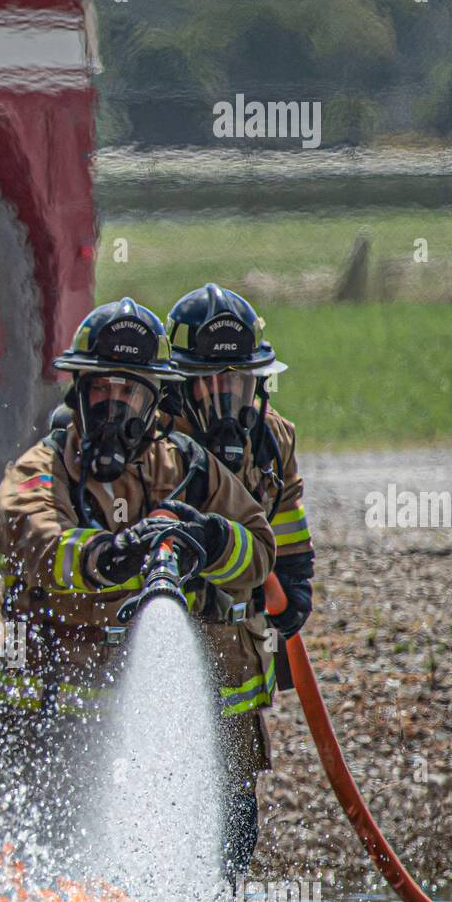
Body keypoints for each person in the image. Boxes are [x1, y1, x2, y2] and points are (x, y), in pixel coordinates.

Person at [0, 297, 275, 878]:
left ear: (154, 401)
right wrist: (112, 554)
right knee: (50, 898)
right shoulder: (40, 472)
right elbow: (42, 546)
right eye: (103, 391)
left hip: (158, 748)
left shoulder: (184, 467)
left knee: (199, 885)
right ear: (79, 394)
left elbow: (259, 547)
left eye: (133, 393)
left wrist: (213, 541)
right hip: (48, 741)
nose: (117, 406)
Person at [164, 284, 315, 867]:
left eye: (239, 382)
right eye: (209, 382)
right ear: (180, 386)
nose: (226, 397)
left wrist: (295, 585)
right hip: (165, 652)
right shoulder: (154, 444)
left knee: (233, 834)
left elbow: (289, 528)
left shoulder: (274, 440)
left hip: (237, 662)